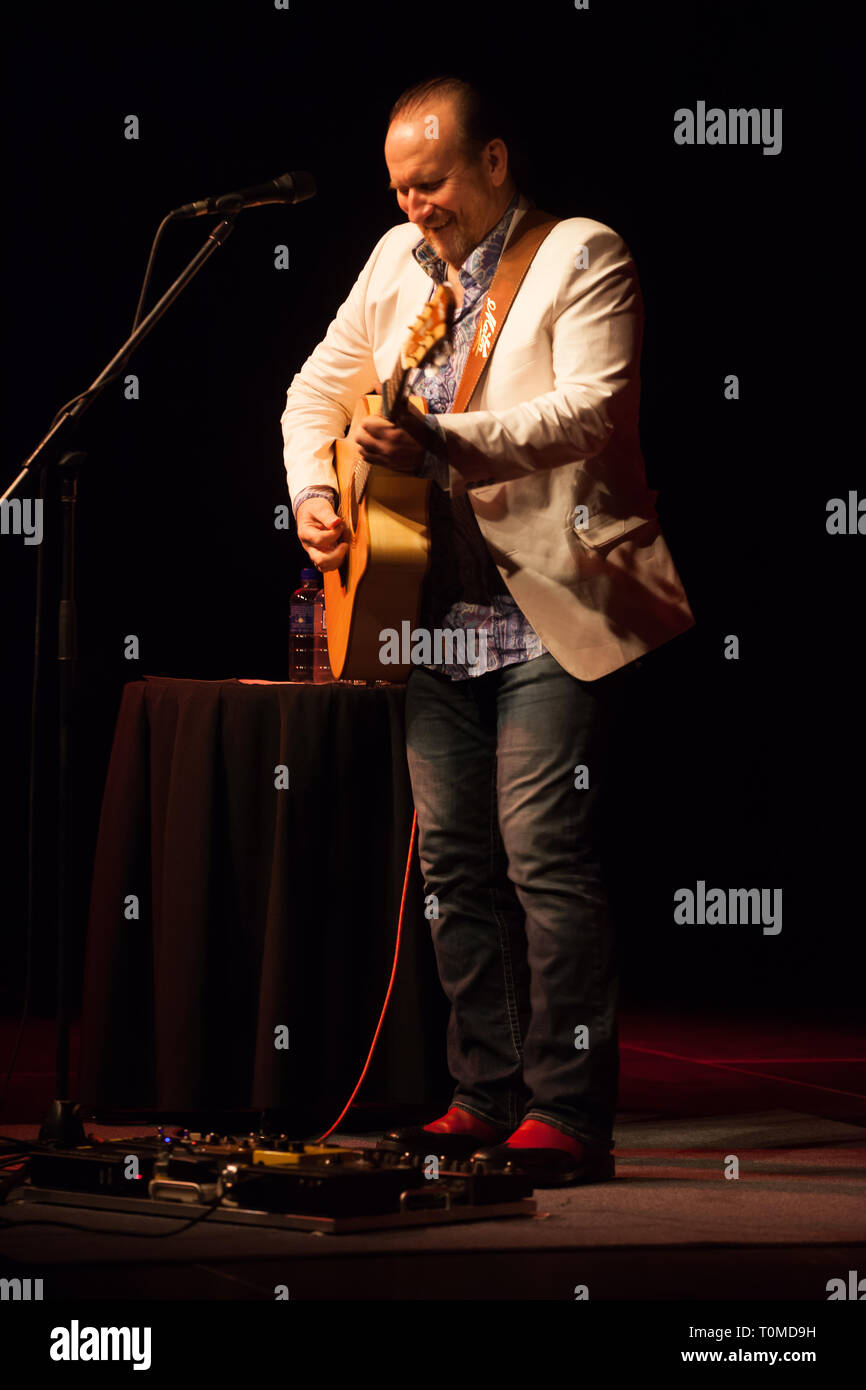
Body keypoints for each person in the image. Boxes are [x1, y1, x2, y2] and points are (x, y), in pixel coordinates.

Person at [280, 74, 695, 1187]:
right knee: (455, 869)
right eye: (401, 190)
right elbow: (311, 395)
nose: (417, 206)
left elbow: (590, 409)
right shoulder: (389, 264)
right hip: (428, 625)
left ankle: (565, 1112)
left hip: (548, 612)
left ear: (494, 162)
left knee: (540, 857)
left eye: (434, 183)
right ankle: (481, 1097)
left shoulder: (578, 254)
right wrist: (314, 502)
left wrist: (441, 441)